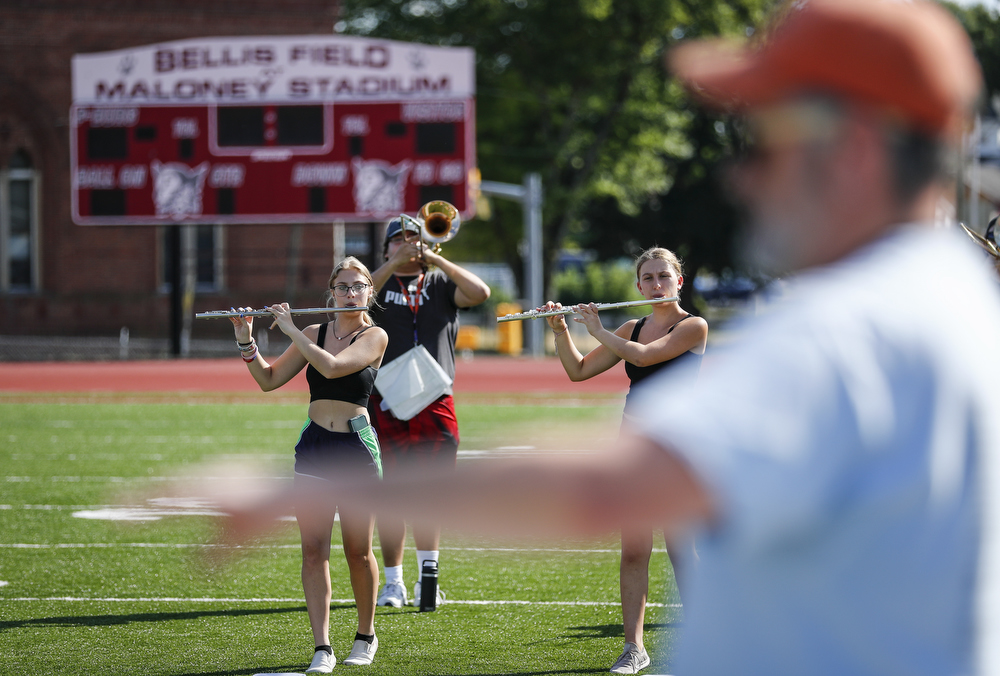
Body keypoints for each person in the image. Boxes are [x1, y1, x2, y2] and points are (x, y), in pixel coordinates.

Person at [206, 2, 1000, 674]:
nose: (742, 175)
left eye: (768, 138)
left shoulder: (864, 326)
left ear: (854, 147)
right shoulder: (945, 299)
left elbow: (619, 480)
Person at [539, 247, 707, 674]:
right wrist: (561, 330)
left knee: (680, 547)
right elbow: (577, 371)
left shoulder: (694, 327)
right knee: (634, 548)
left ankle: (706, 634)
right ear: (638, 285)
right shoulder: (632, 327)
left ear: (678, 281)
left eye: (663, 277)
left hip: (677, 449)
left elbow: (646, 357)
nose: (655, 285)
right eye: (647, 278)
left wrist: (596, 328)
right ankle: (634, 648)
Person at [229, 256, 388, 672]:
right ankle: (322, 646)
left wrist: (291, 330)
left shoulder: (375, 336)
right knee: (313, 549)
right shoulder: (317, 332)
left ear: (370, 290)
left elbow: (332, 367)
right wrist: (247, 341)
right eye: (342, 287)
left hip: (356, 447)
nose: (350, 294)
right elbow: (268, 380)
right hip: (314, 447)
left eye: (357, 287)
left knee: (358, 550)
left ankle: (366, 635)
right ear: (330, 292)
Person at [368, 216, 491, 608]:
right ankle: (393, 583)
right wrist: (395, 262)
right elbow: (353, 297)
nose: (408, 244)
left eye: (415, 239)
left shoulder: (439, 283)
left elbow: (481, 292)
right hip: (386, 398)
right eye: (399, 240)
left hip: (435, 398)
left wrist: (438, 261)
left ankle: (428, 578)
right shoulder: (379, 283)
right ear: (386, 247)